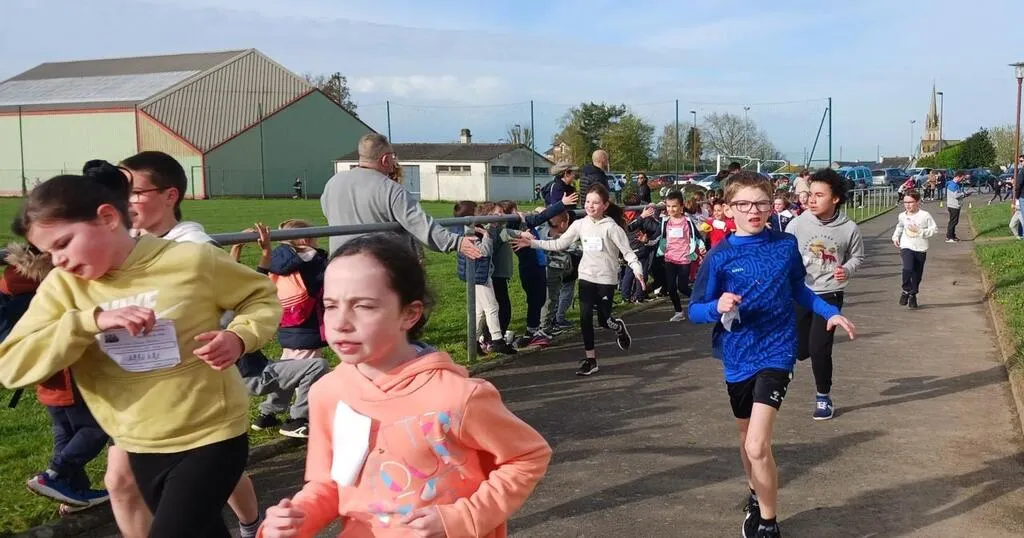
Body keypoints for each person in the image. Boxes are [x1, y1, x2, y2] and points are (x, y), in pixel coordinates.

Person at [0, 162, 281, 537]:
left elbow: (260, 297)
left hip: (211, 433)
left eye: (64, 243)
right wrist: (88, 321)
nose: (59, 260)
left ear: (107, 218)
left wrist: (239, 336)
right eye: (49, 253)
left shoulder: (190, 260)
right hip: (139, 440)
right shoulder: (63, 288)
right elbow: (13, 368)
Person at [257, 234, 552, 538]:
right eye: (331, 305)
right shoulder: (327, 392)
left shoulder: (459, 397)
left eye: (364, 306)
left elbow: (527, 457)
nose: (341, 322)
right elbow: (329, 483)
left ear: (409, 314)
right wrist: (296, 519)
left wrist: (463, 517)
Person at [688, 171, 856, 538]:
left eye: (762, 203)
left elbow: (799, 287)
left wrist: (830, 312)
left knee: (756, 443)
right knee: (746, 437)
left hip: (778, 350)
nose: (754, 211)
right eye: (744, 204)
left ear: (771, 205)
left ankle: (767, 522)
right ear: (728, 209)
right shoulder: (719, 257)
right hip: (736, 353)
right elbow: (694, 311)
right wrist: (716, 305)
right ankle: (754, 493)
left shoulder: (783, 246)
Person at [111, 151, 265, 537]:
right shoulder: (120, 247)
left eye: (135, 192)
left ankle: (251, 524)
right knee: (121, 481)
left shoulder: (196, 250)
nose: (125, 201)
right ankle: (249, 524)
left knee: (202, 491)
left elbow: (250, 299)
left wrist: (233, 337)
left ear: (170, 195)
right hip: (138, 398)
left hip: (194, 398)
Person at [3, 243, 110, 514]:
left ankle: (74, 494)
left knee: (65, 430)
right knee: (97, 426)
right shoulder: (53, 281)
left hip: (43, 373)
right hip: (67, 370)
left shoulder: (12, 281)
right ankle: (54, 475)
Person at [513, 184, 642, 376]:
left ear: (605, 205)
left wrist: (637, 269)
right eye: (588, 202)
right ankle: (591, 360)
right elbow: (559, 243)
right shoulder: (580, 224)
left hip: (606, 279)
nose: (590, 206)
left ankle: (617, 326)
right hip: (586, 277)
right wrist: (531, 243)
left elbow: (628, 253)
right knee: (585, 319)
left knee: (605, 321)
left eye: (595, 203)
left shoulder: (612, 228)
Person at [231, 221, 332, 438]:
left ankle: (267, 415)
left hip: (253, 369)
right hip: (250, 376)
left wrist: (240, 247)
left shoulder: (227, 304)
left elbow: (256, 274)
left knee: (289, 368)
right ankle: (298, 420)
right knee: (316, 367)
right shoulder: (233, 310)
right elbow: (251, 276)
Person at [785, 168, 865, 421]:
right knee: (800, 350)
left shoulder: (848, 228)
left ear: (835, 198)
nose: (811, 200)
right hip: (800, 293)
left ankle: (823, 396)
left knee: (820, 349)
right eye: (810, 194)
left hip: (829, 294)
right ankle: (803, 350)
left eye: (819, 195)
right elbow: (783, 254)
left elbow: (857, 256)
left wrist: (847, 269)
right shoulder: (797, 224)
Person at [321, 133, 480, 258]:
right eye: (392, 156)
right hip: (377, 267)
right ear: (385, 159)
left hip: (339, 267)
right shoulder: (390, 189)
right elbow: (420, 224)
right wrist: (457, 242)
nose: (394, 161)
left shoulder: (332, 183)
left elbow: (327, 212)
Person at [452, 201, 516, 356]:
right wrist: (487, 236)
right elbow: (484, 252)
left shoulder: (474, 230)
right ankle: (497, 341)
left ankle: (472, 341)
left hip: (480, 274)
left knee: (479, 311)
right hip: (479, 275)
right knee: (492, 307)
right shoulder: (472, 233)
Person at [657, 191, 704, 321]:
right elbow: (657, 236)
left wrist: (701, 247)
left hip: (684, 258)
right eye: (668, 206)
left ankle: (700, 300)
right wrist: (646, 240)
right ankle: (678, 311)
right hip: (669, 258)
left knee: (682, 287)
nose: (671, 209)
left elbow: (697, 237)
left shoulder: (687, 222)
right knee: (671, 287)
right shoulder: (665, 222)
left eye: (674, 206)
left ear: (681, 207)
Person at [892, 190, 938, 308]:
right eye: (905, 202)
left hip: (921, 247)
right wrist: (896, 236)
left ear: (918, 202)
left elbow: (934, 229)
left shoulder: (925, 215)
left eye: (910, 202)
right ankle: (906, 290)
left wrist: (921, 232)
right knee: (908, 268)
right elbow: (900, 226)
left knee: (917, 274)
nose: (907, 205)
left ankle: (913, 294)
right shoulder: (902, 216)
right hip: (907, 245)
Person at [945, 170, 968, 242]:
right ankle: (949, 237)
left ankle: (952, 236)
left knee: (954, 221)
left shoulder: (954, 184)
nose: (963, 180)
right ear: (958, 177)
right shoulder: (953, 185)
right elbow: (956, 195)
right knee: (953, 222)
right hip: (953, 205)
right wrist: (964, 194)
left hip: (954, 205)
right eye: (962, 178)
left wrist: (964, 194)